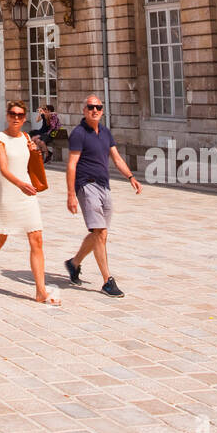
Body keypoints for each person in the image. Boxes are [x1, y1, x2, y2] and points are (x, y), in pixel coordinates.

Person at [0, 100, 62, 306]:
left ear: (24, 118)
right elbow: (3, 168)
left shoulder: (26, 137)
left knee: (36, 238)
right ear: (7, 116)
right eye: (12, 114)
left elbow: (31, 163)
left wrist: (34, 151)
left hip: (27, 194)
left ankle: (40, 291)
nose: (16, 118)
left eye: (20, 115)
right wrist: (20, 184)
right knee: (0, 237)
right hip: (9, 193)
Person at [64, 94, 142, 298]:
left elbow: (116, 158)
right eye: (91, 107)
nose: (95, 110)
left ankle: (74, 263)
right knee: (100, 232)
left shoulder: (106, 132)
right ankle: (108, 281)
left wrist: (131, 177)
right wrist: (71, 194)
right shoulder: (79, 134)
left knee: (101, 233)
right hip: (86, 186)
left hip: (104, 187)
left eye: (98, 107)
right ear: (84, 110)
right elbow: (71, 164)